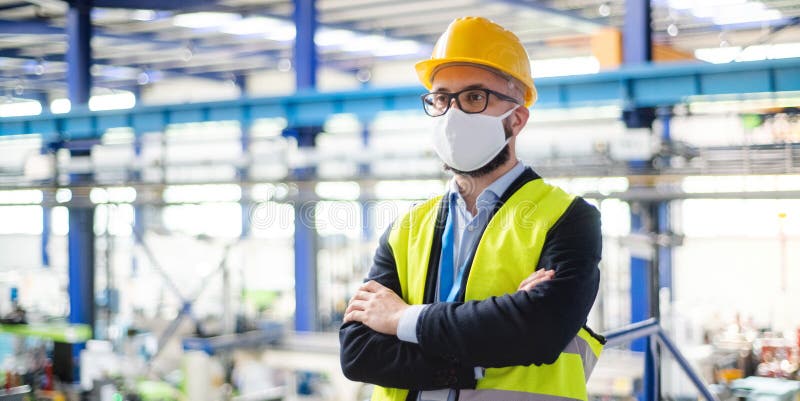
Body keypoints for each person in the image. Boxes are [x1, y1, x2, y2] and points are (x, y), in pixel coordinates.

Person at [339, 16, 604, 401]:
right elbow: (358, 353)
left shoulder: (567, 217)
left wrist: (400, 319)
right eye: (441, 98)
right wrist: (476, 359)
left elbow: (541, 330)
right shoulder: (406, 227)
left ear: (517, 118)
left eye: (474, 97)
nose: (453, 114)